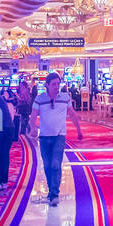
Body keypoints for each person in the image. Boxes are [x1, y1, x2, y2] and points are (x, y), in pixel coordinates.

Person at [33, 71, 82, 206]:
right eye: (54, 84)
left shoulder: (65, 97)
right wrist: (32, 129)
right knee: (48, 166)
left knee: (55, 164)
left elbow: (72, 114)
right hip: (44, 137)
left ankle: (55, 194)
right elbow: (33, 115)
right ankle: (51, 190)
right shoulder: (39, 98)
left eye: (58, 84)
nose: (56, 86)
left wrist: (78, 130)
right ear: (47, 85)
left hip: (59, 137)